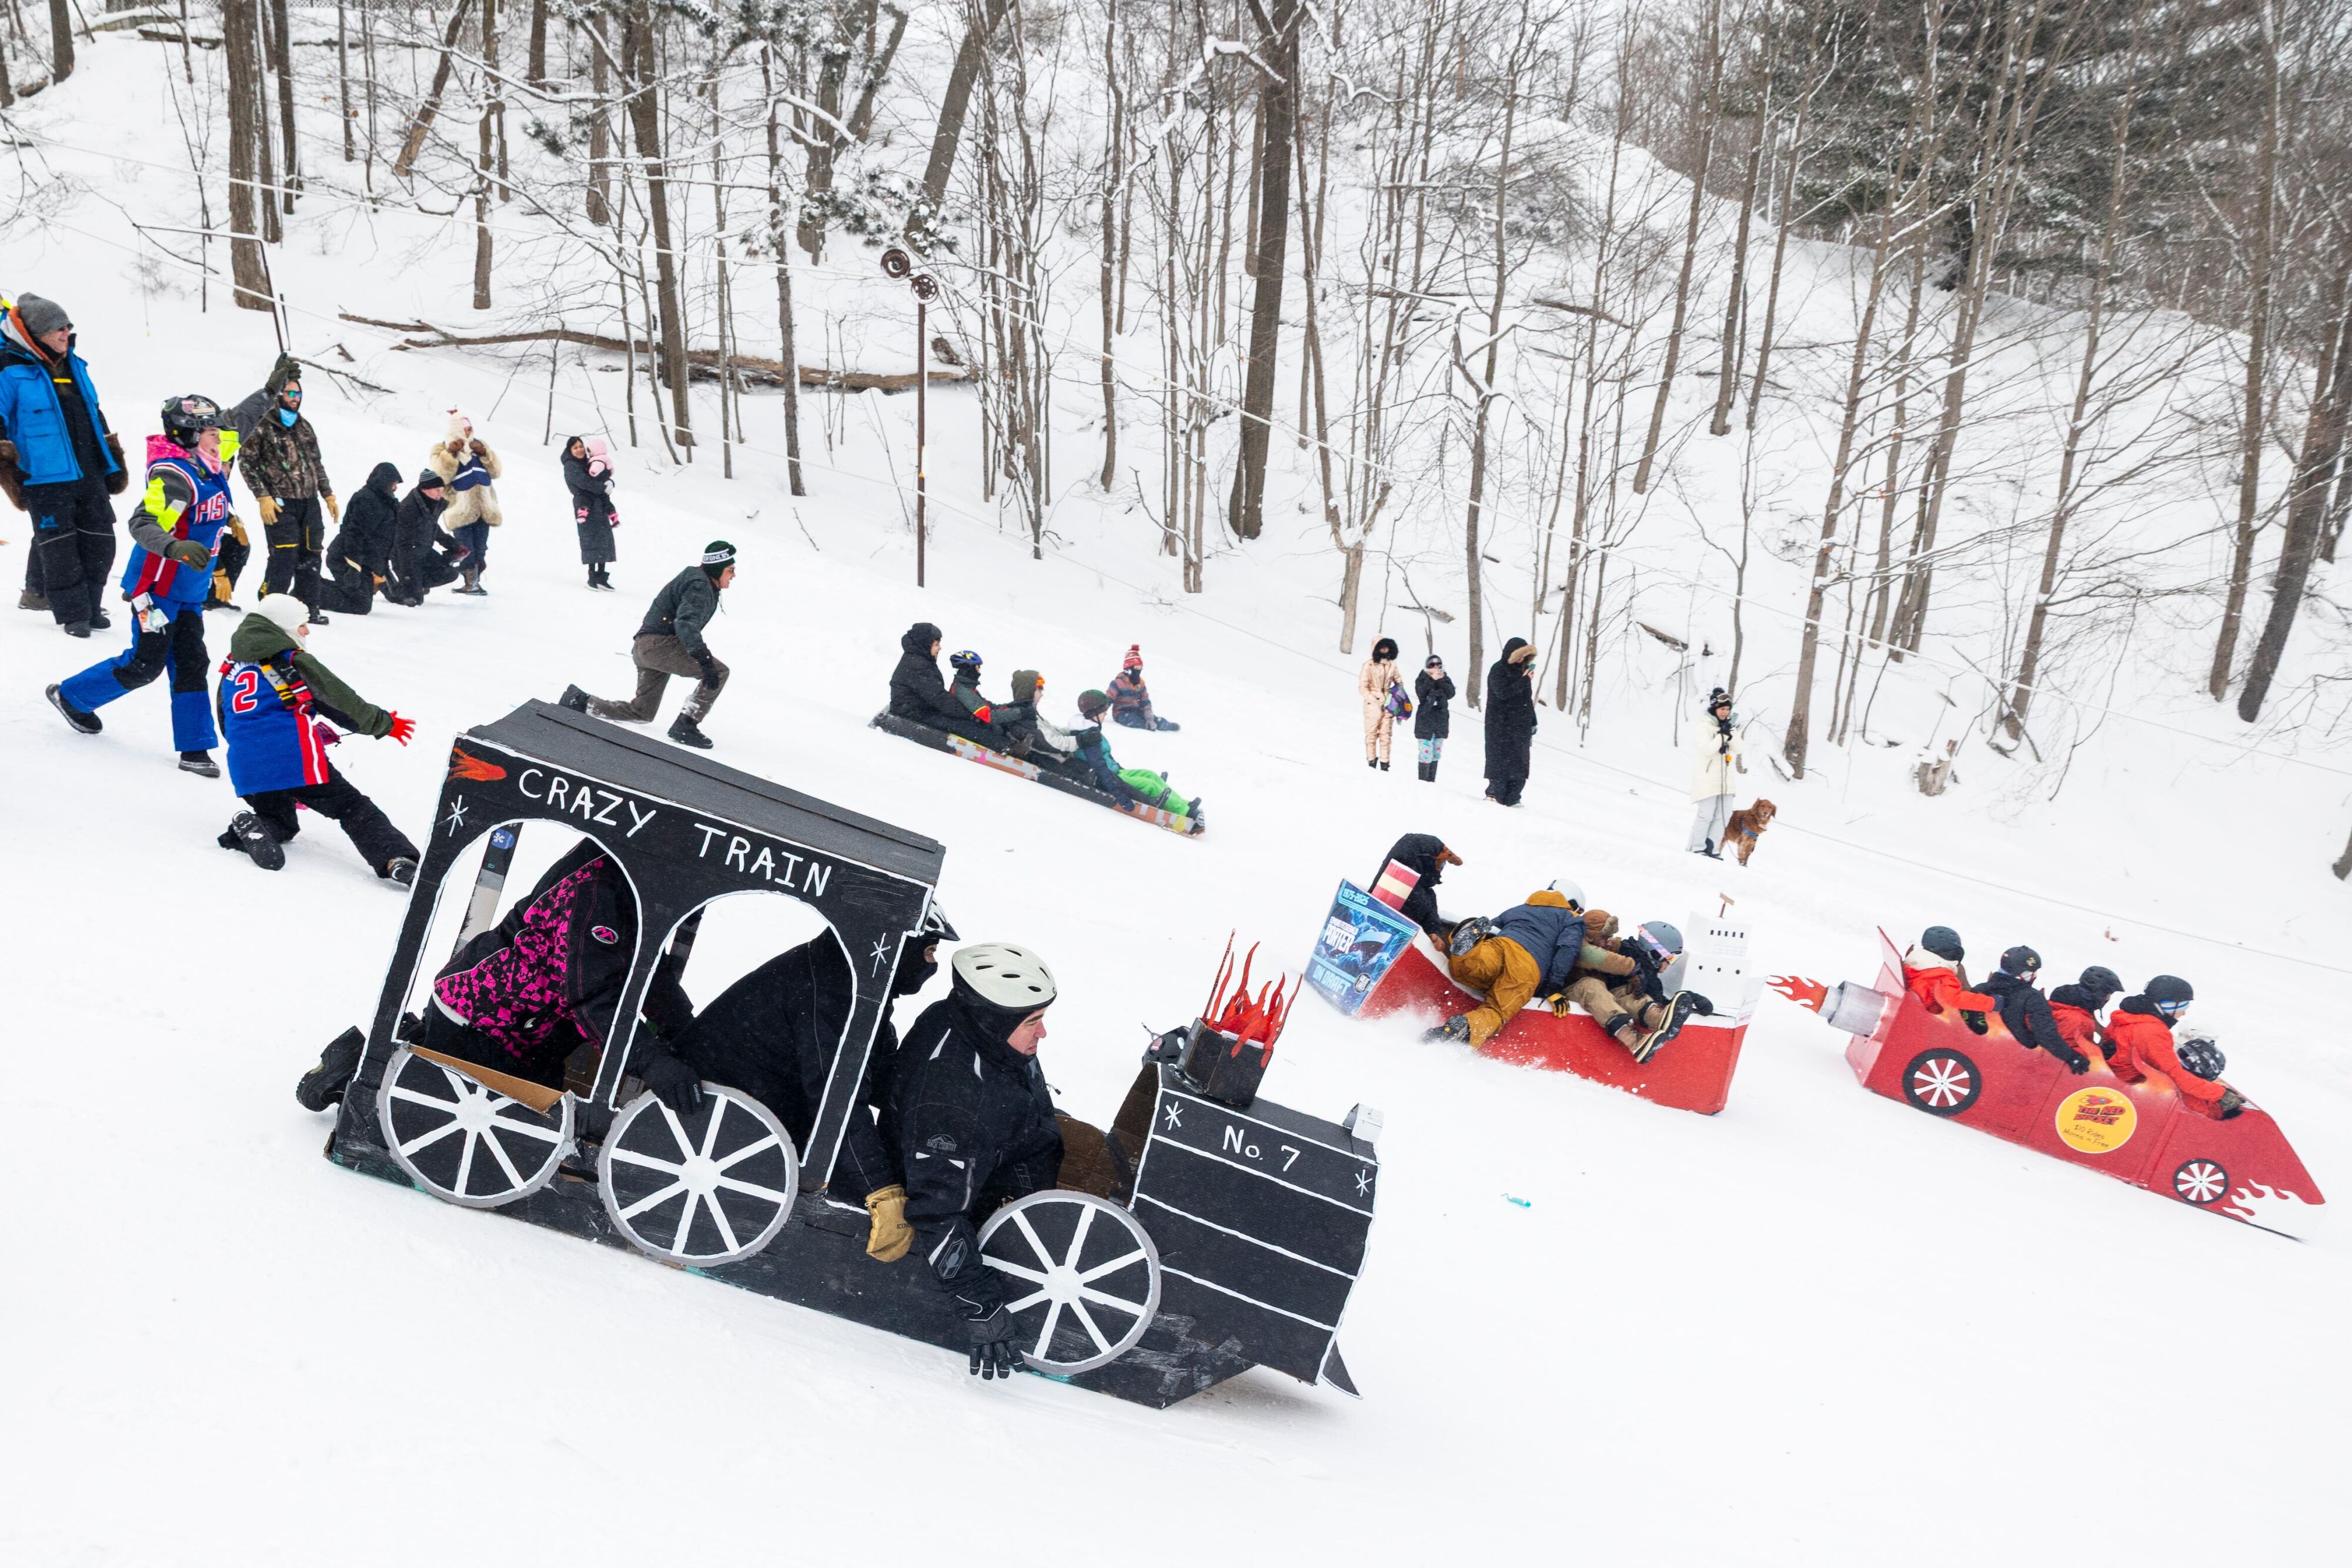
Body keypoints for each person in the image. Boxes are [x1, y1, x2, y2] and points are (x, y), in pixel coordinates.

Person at [670, 908, 955, 1260]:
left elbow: (874, 1075)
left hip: (766, 1102)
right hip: (716, 1124)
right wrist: (881, 1188)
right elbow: (837, 1098)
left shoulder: (851, 976)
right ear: (894, 950)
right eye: (929, 952)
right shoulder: (832, 993)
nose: (932, 965)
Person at [889, 943, 1065, 1380]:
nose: (1043, 1034)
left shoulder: (980, 1032)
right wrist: (980, 1305)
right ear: (994, 1020)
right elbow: (937, 1210)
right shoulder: (952, 1098)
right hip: (986, 1200)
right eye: (1033, 1022)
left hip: (1009, 1162)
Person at [45, 393, 239, 777]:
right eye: (211, 432)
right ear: (188, 435)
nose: (221, 439)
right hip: (156, 590)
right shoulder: (175, 478)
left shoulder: (211, 462)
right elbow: (143, 524)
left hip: (189, 592)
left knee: (192, 663)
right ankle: (71, 696)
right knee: (145, 664)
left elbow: (241, 425)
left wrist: (270, 394)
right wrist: (175, 546)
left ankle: (195, 748)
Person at [419, 839, 697, 1096]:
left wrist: (682, 1028)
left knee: (553, 1116)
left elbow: (643, 966)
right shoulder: (599, 889)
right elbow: (590, 992)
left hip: (525, 1034)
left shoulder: (630, 877)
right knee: (530, 1126)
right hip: (482, 1024)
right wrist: (650, 1061)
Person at [215, 594, 421, 882]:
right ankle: (396, 859)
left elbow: (226, 717)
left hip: (245, 762)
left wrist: (255, 747)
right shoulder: (292, 661)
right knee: (351, 807)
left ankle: (251, 828)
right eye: (302, 625)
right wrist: (383, 724)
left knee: (280, 821)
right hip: (293, 756)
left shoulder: (232, 668)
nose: (307, 631)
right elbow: (342, 702)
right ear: (284, 626)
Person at [0, 293, 128, 634]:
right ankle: (74, 614)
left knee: (100, 540)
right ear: (36, 333)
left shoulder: (76, 365)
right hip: (43, 475)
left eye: (68, 326)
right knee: (60, 548)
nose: (66, 333)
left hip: (89, 470)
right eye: (59, 328)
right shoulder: (8, 369)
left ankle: (91, 605)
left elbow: (95, 414)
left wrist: (111, 457)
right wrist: (9, 469)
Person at [560, 540, 735, 750]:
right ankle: (687, 725)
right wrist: (703, 659)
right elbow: (685, 623)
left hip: (645, 647)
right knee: (719, 672)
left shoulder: (697, 580)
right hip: (660, 646)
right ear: (717, 568)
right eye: (730, 570)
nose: (733, 576)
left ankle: (580, 702)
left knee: (642, 713)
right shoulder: (699, 586)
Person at [234, 363, 336, 623]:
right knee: (285, 555)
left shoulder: (304, 426)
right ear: (279, 395)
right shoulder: (262, 425)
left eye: (298, 393)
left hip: (309, 502)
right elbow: (247, 463)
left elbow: (316, 462)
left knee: (311, 555)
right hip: (280, 502)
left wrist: (328, 494)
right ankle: (271, 607)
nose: (295, 398)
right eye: (290, 393)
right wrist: (263, 496)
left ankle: (308, 607)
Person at [1428, 881, 1587, 1047]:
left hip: (1500, 944)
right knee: (1497, 1010)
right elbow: (1568, 949)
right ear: (1572, 903)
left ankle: (1467, 951)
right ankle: (1466, 1026)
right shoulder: (1571, 919)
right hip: (1528, 964)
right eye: (1579, 910)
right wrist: (1553, 988)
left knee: (1468, 970)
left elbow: (1492, 928)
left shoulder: (1519, 909)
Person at [1553, 914, 1706, 1063]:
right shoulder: (1578, 947)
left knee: (1625, 991)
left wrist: (1689, 1000)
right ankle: (1634, 1040)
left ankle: (1657, 1017)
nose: (1608, 943)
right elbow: (1599, 958)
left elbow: (1614, 951)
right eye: (1605, 938)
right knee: (1592, 986)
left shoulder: (1610, 947)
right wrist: (1633, 968)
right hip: (1569, 992)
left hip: (1596, 994)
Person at [2106, 975, 2244, 1119]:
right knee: (2192, 1103)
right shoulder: (2152, 1030)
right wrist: (2220, 1094)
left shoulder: (2128, 1017)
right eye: (2183, 1006)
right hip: (2133, 1085)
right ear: (2168, 1005)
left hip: (2121, 1077)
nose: (2184, 1013)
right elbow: (2174, 1075)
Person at [1074, 690, 1201, 824]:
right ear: (1094, 713)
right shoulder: (1089, 737)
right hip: (1112, 778)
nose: (1106, 713)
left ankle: (1183, 804)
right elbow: (1099, 767)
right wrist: (1119, 795)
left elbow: (1105, 757)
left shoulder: (1091, 730)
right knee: (1149, 785)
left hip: (1117, 771)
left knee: (1150, 775)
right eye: (1103, 710)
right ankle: (1185, 812)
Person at [888, 621, 1008, 748]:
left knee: (964, 722)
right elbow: (939, 698)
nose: (940, 648)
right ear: (925, 644)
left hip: (922, 709)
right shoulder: (917, 665)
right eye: (936, 644)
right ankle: (1005, 748)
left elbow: (937, 696)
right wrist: (970, 715)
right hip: (913, 713)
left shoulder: (920, 659)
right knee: (966, 727)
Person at [1977, 945, 2088, 1074]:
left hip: (1979, 1053)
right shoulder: (2032, 998)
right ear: (2025, 974)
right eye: (2033, 972)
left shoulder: (1981, 989)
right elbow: (2045, 1034)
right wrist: (2071, 1057)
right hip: (2017, 1061)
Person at [428, 411, 500, 596]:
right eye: (464, 429)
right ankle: (469, 581)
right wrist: (451, 453)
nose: (468, 432)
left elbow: (496, 472)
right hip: (461, 507)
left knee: (481, 547)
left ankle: (475, 580)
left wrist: (484, 454)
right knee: (465, 546)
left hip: (485, 507)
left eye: (469, 429)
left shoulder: (480, 445)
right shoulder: (441, 448)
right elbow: (441, 476)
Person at [318, 462, 403, 616]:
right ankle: (309, 590)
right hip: (346, 559)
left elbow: (383, 541)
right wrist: (354, 568)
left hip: (365, 563)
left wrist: (383, 572)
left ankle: (311, 587)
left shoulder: (387, 501)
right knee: (360, 604)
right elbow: (354, 535)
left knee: (360, 600)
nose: (396, 488)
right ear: (384, 482)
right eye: (394, 484)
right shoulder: (367, 500)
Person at [387, 469, 464, 604]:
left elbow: (433, 528)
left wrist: (455, 546)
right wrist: (408, 577)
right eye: (437, 490)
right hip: (405, 556)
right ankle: (392, 586)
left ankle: (416, 585)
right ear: (425, 490)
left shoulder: (431, 504)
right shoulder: (409, 508)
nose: (440, 494)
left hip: (424, 552)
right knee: (414, 600)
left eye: (442, 490)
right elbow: (403, 545)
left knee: (450, 573)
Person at [1899, 925, 1997, 1030]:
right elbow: (1954, 999)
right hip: (1932, 1021)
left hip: (1914, 1010)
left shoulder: (1913, 963)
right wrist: (1991, 1003)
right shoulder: (1943, 975)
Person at [1689, 688, 1746, 857]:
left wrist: (1731, 731)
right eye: (1722, 709)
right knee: (1706, 815)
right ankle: (1696, 847)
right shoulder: (1704, 726)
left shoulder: (1729, 726)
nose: (1724, 712)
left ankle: (1712, 848)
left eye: (1727, 709)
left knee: (1724, 815)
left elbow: (1740, 749)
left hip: (1726, 781)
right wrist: (1722, 736)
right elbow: (1707, 750)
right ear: (1715, 709)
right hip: (1707, 779)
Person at [1483, 637, 1538, 807]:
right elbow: (1502, 693)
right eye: (1518, 655)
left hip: (1521, 726)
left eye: (1524, 656)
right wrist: (1524, 681)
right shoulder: (1498, 670)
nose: (1521, 659)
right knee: (1500, 760)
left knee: (1519, 763)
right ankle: (1494, 793)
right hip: (1500, 724)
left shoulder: (1523, 672)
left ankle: (1514, 796)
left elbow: (1527, 700)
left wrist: (1533, 721)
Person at [561, 433, 619, 591]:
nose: (579, 450)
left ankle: (601, 578)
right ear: (570, 450)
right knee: (591, 540)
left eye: (581, 447)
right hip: (585, 506)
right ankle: (592, 577)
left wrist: (610, 482)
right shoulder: (571, 465)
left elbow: (602, 474)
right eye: (575, 448)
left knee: (603, 539)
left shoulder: (589, 462)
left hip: (598, 504)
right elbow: (585, 483)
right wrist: (603, 487)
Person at [1376, 832, 1461, 938]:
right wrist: (1441, 849)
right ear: (1428, 862)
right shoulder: (1398, 873)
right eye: (1440, 863)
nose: (1440, 870)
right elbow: (1411, 842)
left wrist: (1434, 934)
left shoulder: (1430, 895)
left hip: (1398, 940)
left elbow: (1432, 922)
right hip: (1374, 928)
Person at [994, 668, 1081, 767]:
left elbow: (1051, 731)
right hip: (1051, 763)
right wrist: (1081, 741)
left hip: (1058, 759)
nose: (1042, 694)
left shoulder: (1029, 712)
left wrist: (1072, 730)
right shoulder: (1022, 716)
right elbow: (1048, 743)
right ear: (1028, 692)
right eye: (1039, 690)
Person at [2047, 965, 2123, 1062]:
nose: (2108, 998)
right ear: (2099, 994)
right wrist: (2100, 1053)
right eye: (2108, 994)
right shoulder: (2077, 1019)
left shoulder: (2071, 1006)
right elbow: (2061, 1056)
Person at [1107, 644, 1178, 731]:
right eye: (1136, 668)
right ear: (1129, 669)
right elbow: (1108, 699)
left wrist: (1150, 719)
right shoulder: (1118, 683)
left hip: (1137, 710)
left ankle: (1164, 725)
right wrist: (1099, 713)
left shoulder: (1140, 684)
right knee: (1133, 721)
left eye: (1140, 669)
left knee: (1154, 720)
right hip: (1121, 713)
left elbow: (1145, 702)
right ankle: (1146, 726)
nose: (1138, 671)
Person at [1359, 636, 1401, 771]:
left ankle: (1385, 764)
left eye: (1386, 647)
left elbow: (1399, 682)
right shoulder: (1369, 666)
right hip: (1373, 704)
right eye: (1381, 647)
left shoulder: (1392, 665)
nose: (1384, 650)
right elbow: (1363, 687)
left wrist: (1395, 695)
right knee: (1372, 734)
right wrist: (1374, 699)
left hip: (1388, 703)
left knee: (1386, 735)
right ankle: (1371, 762)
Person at [1412, 654, 1455, 783]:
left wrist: (1441, 680)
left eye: (1438, 665)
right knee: (1425, 753)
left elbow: (1451, 693)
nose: (1436, 668)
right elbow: (1421, 694)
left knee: (1436, 753)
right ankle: (1422, 781)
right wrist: (1431, 680)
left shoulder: (1445, 678)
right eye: (1432, 665)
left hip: (1440, 720)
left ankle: (1431, 781)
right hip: (1425, 720)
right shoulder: (1422, 678)